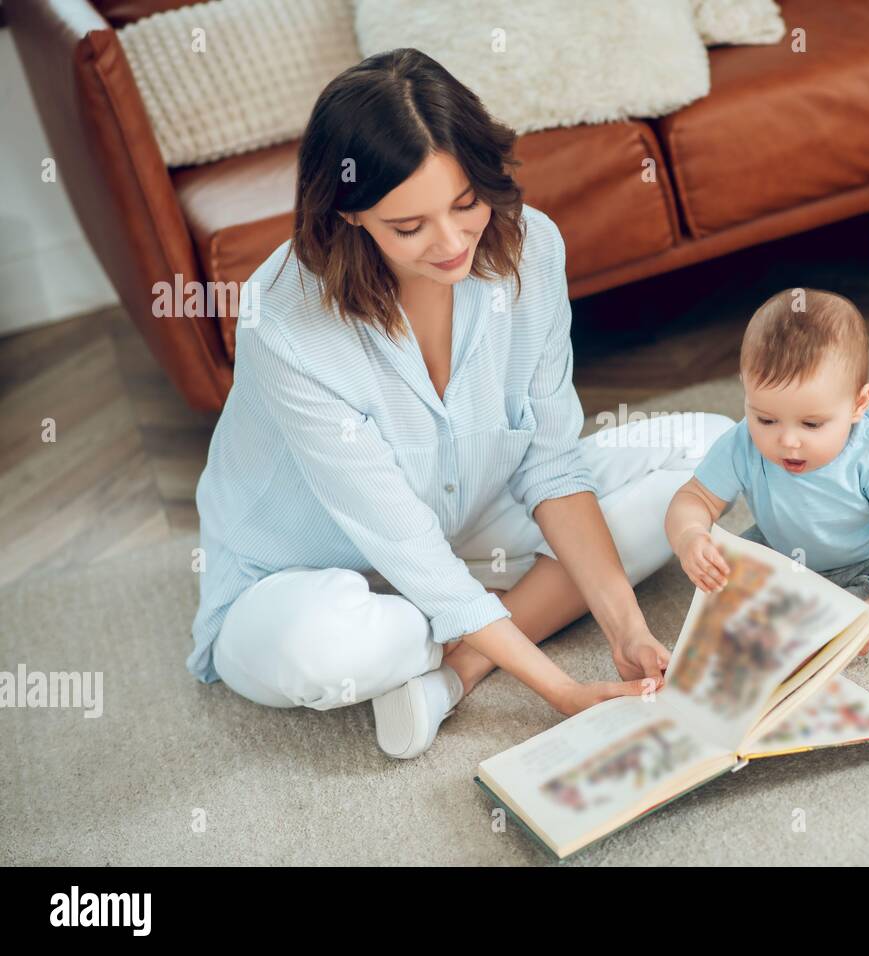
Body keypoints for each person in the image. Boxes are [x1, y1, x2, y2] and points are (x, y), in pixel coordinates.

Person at [188, 48, 733, 758]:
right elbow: (400, 538)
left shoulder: (530, 248)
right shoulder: (284, 321)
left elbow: (552, 467)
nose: (451, 244)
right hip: (297, 576)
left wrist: (626, 630)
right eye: (409, 227)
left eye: (467, 203)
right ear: (349, 216)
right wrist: (561, 693)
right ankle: (472, 616)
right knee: (337, 652)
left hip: (466, 521)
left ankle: (456, 670)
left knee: (713, 455)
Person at [665, 288, 869, 655]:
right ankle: (830, 609)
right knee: (727, 588)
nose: (788, 441)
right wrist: (689, 535)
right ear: (746, 391)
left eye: (812, 425)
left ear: (859, 404)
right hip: (787, 547)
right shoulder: (742, 442)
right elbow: (694, 497)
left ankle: (852, 607)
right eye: (766, 418)